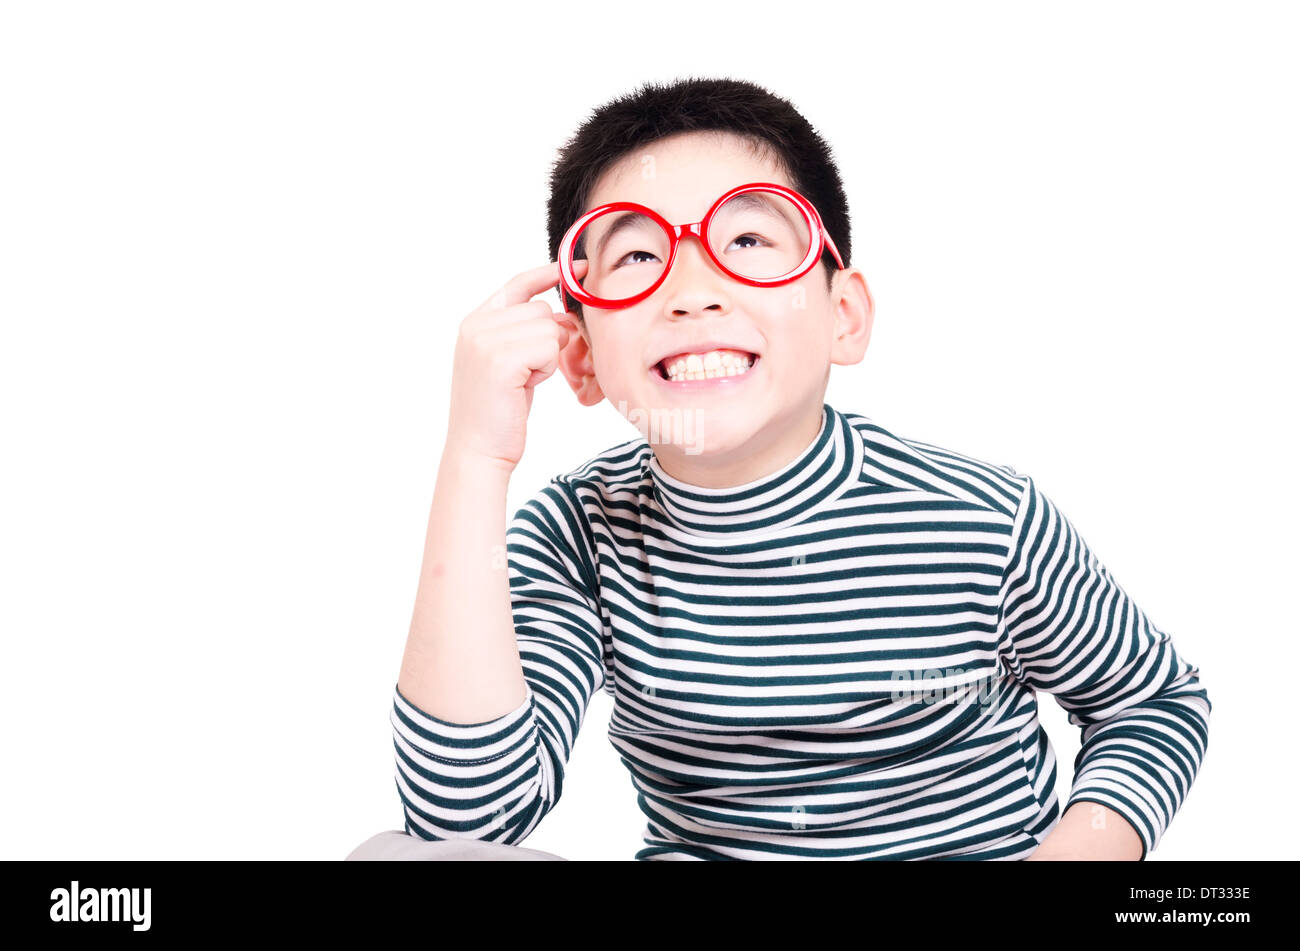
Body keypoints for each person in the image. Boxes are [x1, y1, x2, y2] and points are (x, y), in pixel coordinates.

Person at [348, 77, 1211, 862]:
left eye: (749, 238)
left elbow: (1155, 703)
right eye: (639, 257)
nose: (692, 290)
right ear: (579, 355)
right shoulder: (576, 532)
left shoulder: (985, 519)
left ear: (845, 316)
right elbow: (469, 821)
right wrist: (476, 454)